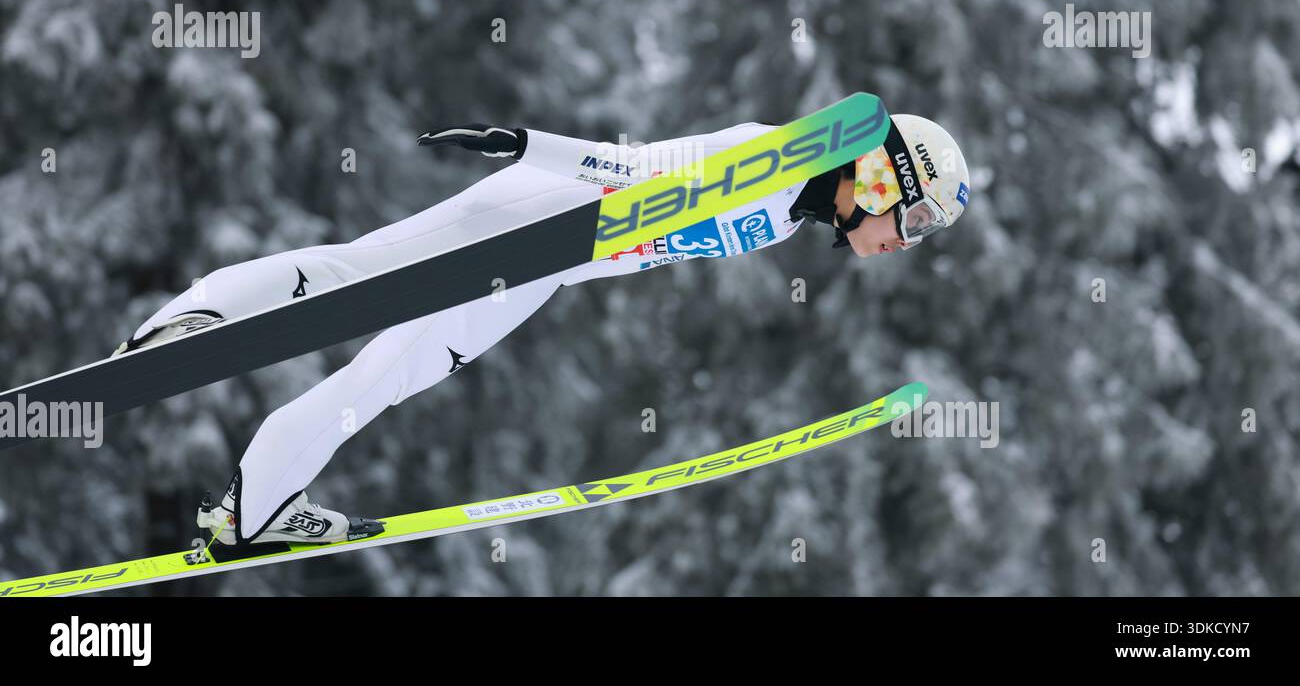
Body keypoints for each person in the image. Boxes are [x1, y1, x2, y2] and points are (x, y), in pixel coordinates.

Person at [117, 110, 970, 553]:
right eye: (919, 216)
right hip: (546, 211)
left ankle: (253, 510)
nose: (909, 240)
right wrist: (528, 145)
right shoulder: (773, 159)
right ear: (883, 175)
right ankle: (185, 324)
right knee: (362, 273)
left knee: (394, 374)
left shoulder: (786, 220)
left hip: (550, 267)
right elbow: (633, 168)